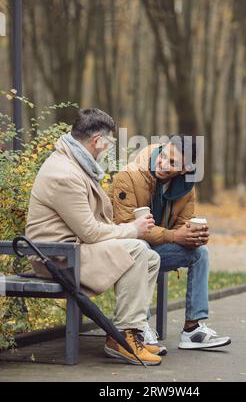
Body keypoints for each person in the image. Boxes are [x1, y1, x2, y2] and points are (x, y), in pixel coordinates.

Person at [25, 108, 162, 366]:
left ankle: (131, 330)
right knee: (138, 249)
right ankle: (122, 338)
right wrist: (133, 229)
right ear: (97, 141)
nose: (108, 150)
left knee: (151, 258)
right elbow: (90, 232)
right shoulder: (64, 173)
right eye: (108, 144)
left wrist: (130, 231)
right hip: (57, 257)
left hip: (74, 250)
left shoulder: (76, 163)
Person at [110, 135, 231, 351]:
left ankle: (192, 330)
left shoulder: (186, 187)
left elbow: (182, 225)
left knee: (201, 254)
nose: (164, 164)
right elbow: (127, 226)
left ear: (185, 169)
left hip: (156, 246)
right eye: (164, 156)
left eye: (173, 163)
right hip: (124, 249)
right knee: (142, 248)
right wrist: (174, 237)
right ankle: (138, 326)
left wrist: (192, 237)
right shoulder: (129, 175)